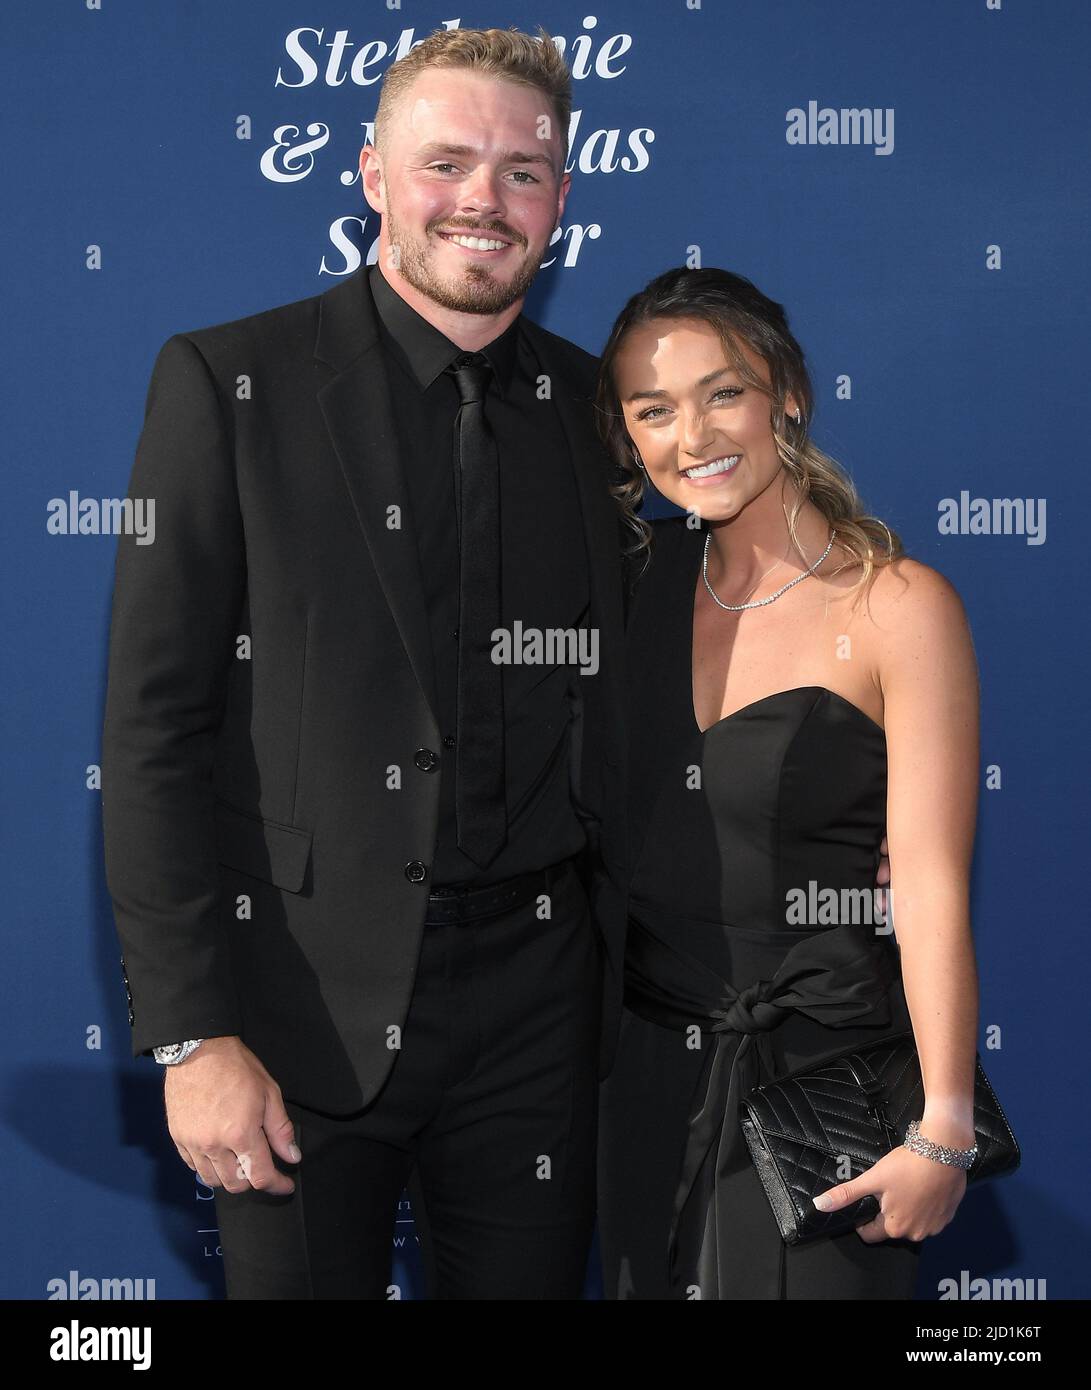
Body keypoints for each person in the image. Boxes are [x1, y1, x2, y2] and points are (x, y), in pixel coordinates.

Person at [101, 26, 630, 1300]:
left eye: (523, 170)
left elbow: (662, 680)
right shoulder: (226, 382)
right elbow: (151, 729)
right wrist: (191, 1032)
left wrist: (838, 810)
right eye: (446, 160)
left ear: (561, 201)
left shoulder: (597, 406)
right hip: (291, 1007)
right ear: (372, 175)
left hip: (541, 1017)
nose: (483, 199)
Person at [594, 266, 981, 1299]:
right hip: (640, 1078)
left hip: (821, 1090)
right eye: (652, 410)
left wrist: (943, 1123)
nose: (693, 435)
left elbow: (931, 880)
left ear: (788, 395)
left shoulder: (898, 605)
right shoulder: (623, 588)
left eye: (722, 392)